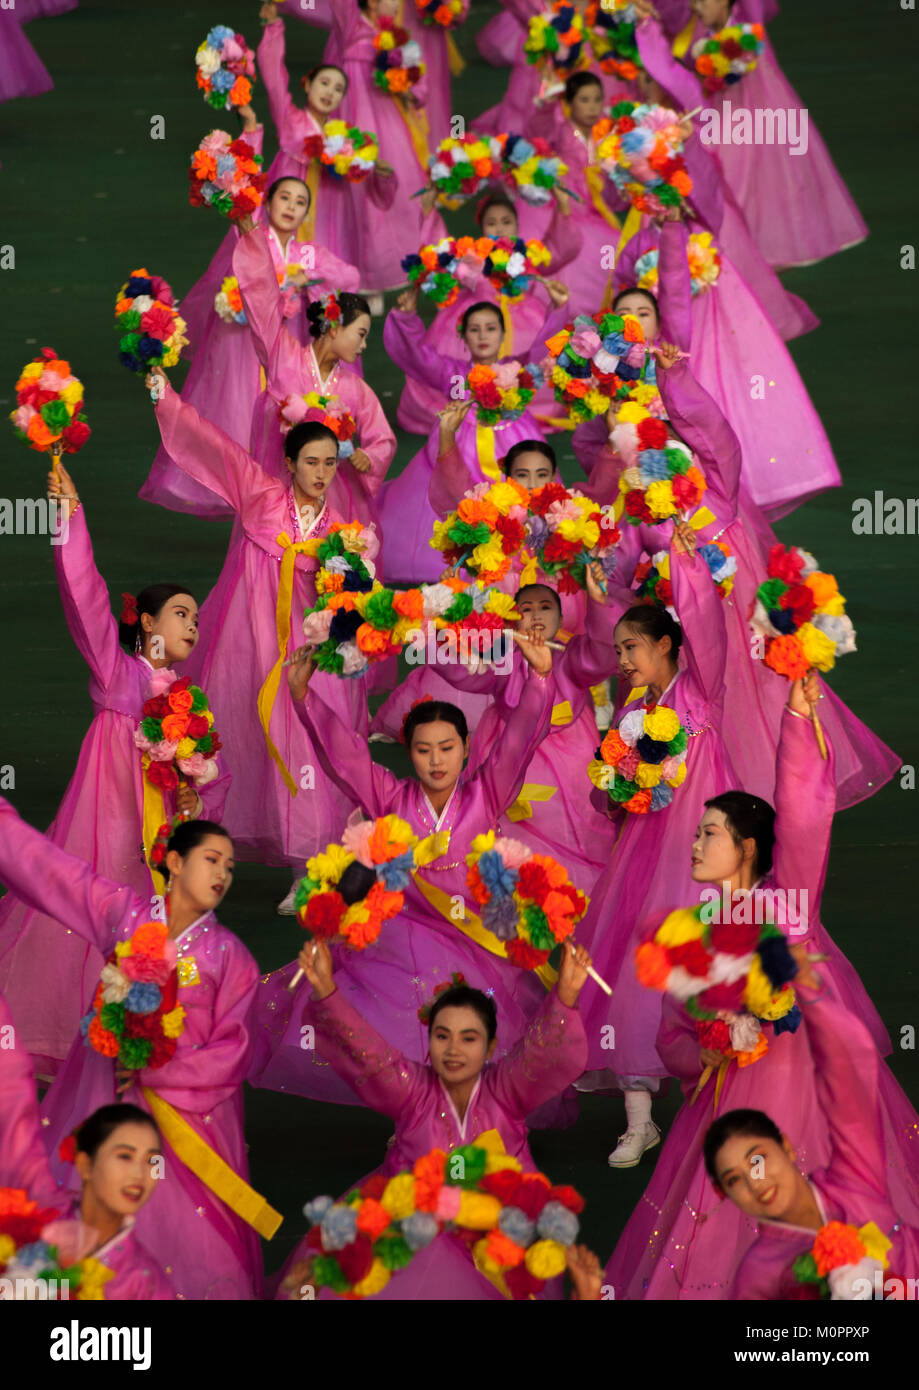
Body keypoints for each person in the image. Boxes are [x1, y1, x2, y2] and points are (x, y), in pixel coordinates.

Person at [605, 680, 919, 1298]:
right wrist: (714, 1044)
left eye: (710, 834)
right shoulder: (695, 929)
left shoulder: (788, 903)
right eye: (697, 834)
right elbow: (673, 1034)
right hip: (727, 1090)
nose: (695, 846)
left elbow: (802, 816)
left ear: (748, 848)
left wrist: (798, 723)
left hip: (805, 1082)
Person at [250, 635, 565, 1104]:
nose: (436, 761)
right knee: (394, 1015)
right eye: (423, 750)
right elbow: (343, 754)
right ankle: (412, 1111)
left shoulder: (487, 792)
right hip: (401, 932)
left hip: (469, 933)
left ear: (466, 749)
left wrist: (539, 679)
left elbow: (519, 741)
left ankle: (455, 1116)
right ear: (408, 751)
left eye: (446, 748)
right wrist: (302, 696)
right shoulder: (389, 797)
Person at [0, 460, 226, 1074]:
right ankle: (78, 1037)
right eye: (181, 613)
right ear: (146, 624)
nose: (193, 624)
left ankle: (146, 1032)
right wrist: (69, 517)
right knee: (83, 918)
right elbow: (85, 595)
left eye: (197, 618)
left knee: (151, 922)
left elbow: (198, 778)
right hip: (104, 821)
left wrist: (189, 801)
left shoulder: (187, 699)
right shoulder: (116, 672)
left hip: (154, 838)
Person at [0, 802, 267, 1300]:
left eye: (230, 867)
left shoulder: (231, 956)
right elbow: (55, 874)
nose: (222, 874)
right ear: (174, 862)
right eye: (212, 859)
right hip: (107, 1089)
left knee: (193, 1239)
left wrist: (157, 1071)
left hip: (194, 1116)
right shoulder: (126, 915)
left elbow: (234, 1051)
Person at [146, 366, 371, 890]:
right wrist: (166, 399)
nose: (320, 473)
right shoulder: (261, 496)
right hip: (249, 643)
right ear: (289, 462)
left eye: (330, 464)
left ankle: (307, 865)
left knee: (307, 744)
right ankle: (201, 854)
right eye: (310, 462)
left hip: (307, 656)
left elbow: (355, 608)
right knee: (242, 733)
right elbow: (212, 443)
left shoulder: (344, 536)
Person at [276, 937, 591, 1299]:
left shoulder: (505, 1090)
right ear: (429, 1042)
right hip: (416, 1233)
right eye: (442, 1037)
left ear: (490, 1047)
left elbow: (538, 1054)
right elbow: (369, 1054)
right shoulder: (413, 1092)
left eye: (468, 1039)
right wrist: (327, 990)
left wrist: (565, 996)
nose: (454, 1050)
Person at [141, 156, 362, 522]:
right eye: (284, 198)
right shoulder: (249, 238)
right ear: (269, 203)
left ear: (307, 213)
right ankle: (238, 479)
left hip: (287, 344)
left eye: (300, 202)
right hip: (243, 344)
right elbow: (232, 282)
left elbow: (351, 278)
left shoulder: (307, 254)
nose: (291, 207)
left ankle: (276, 473)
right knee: (240, 403)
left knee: (282, 403)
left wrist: (308, 280)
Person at [708, 954, 918, 1300]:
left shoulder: (856, 1180)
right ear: (726, 1195)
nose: (755, 1182)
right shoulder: (758, 1274)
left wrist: (811, 994)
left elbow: (849, 1081)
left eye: (757, 1160)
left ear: (787, 1147)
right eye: (734, 1180)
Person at [378, 284, 570, 581]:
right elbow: (418, 357)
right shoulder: (453, 374)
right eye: (475, 330)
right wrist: (406, 317)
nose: (483, 336)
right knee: (458, 504)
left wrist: (558, 309)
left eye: (490, 328)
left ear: (503, 334)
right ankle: (470, 559)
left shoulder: (518, 371)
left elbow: (546, 350)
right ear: (463, 337)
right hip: (460, 446)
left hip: (516, 441)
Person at [232, 217, 396, 533]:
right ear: (334, 327)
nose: (363, 345)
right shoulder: (283, 355)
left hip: (331, 505)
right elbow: (262, 302)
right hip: (276, 494)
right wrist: (251, 240)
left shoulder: (356, 389)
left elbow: (384, 440)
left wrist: (368, 457)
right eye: (360, 334)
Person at [398, 184, 582, 435]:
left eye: (506, 222)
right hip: (477, 320)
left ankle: (521, 405)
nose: (499, 228)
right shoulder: (475, 257)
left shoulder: (528, 255)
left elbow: (561, 249)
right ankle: (474, 407)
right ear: (482, 228)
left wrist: (563, 206)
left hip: (527, 322)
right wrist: (429, 210)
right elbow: (441, 254)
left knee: (542, 366)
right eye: (492, 223)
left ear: (517, 226)